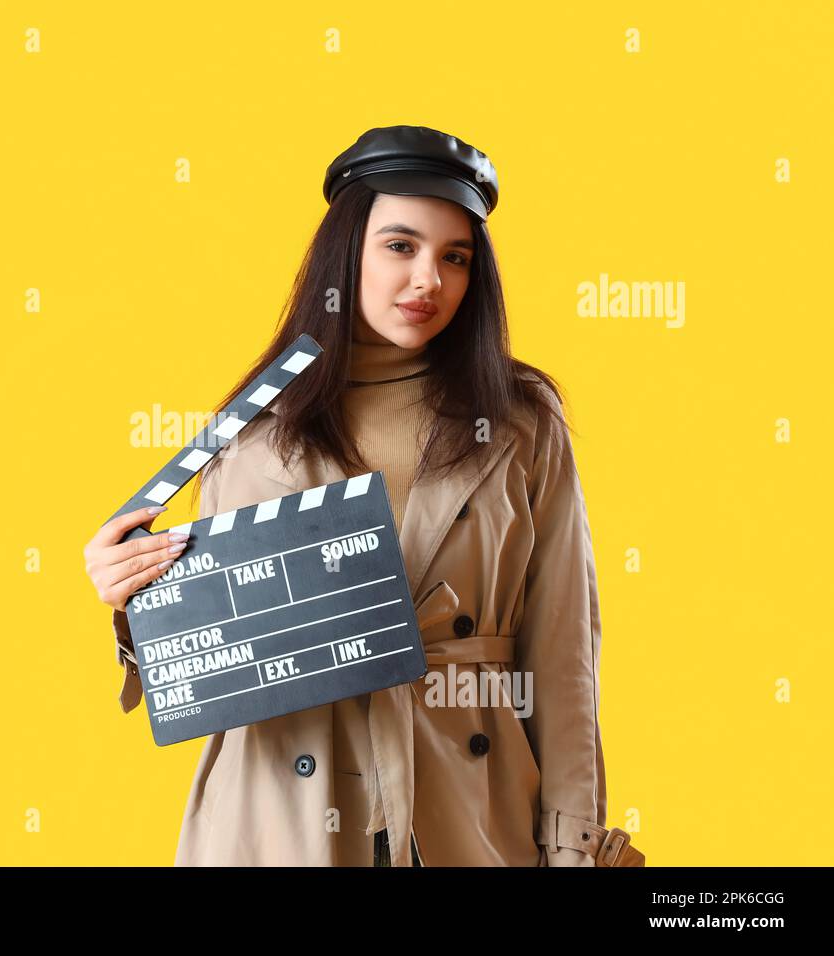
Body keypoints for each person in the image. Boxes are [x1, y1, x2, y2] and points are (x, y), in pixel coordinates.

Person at [84, 126, 630, 867]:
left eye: (455, 257)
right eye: (400, 246)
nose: (428, 279)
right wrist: (131, 603)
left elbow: (564, 654)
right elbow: (222, 644)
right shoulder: (248, 429)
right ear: (348, 253)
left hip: (467, 806)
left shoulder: (520, 419)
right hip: (279, 814)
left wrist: (575, 846)